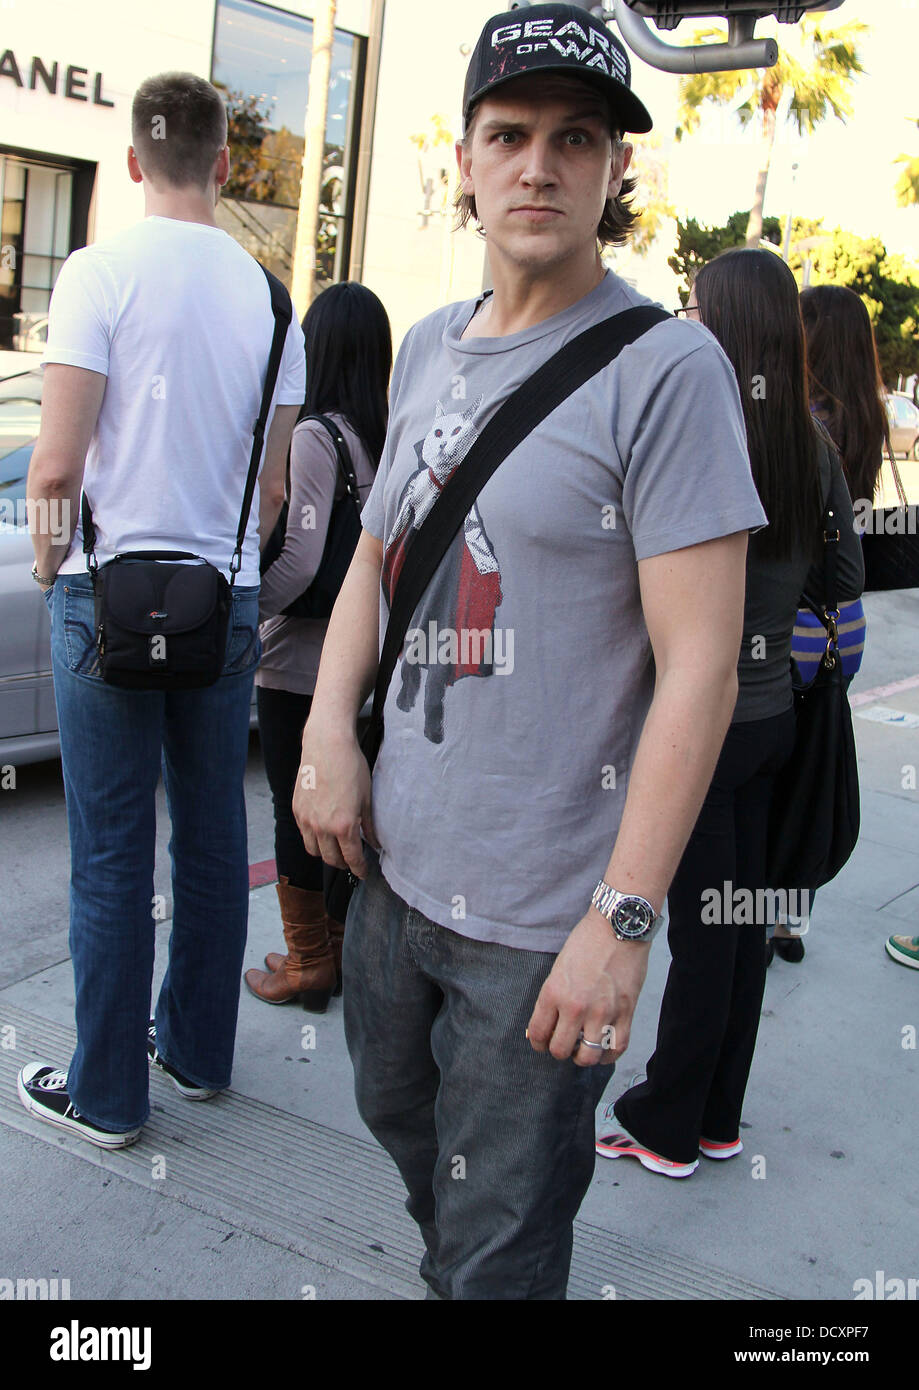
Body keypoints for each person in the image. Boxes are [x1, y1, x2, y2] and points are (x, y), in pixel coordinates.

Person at [293, 3, 768, 1300]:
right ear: (463, 158)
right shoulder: (434, 343)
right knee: (408, 1136)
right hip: (393, 878)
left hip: (540, 924)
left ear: (615, 168)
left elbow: (700, 671)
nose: (537, 165)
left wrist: (621, 920)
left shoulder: (666, 370)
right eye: (507, 134)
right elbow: (376, 565)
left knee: (497, 1250)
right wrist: (330, 727)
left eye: (575, 137)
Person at [17, 73, 304, 1148]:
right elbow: (276, 490)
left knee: (111, 851)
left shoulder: (98, 272)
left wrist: (55, 568)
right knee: (215, 836)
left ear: (134, 162)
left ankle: (106, 1095)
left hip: (104, 590)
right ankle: (195, 1055)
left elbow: (55, 461)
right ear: (225, 165)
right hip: (223, 600)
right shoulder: (276, 300)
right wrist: (232, 561)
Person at [597, 249, 864, 1177]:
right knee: (740, 919)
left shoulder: (705, 434)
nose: (689, 323)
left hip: (697, 720)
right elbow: (844, 579)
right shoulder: (810, 442)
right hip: (770, 723)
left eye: (698, 309)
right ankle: (717, 1118)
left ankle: (665, 1121)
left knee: (704, 933)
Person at [246, 282, 392, 1010]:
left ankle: (308, 962)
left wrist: (248, 616)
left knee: (294, 808)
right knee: (343, 810)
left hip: (298, 662)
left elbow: (299, 558)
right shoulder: (382, 435)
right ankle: (333, 949)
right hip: (361, 660)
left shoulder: (314, 435)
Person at [777, 284, 885, 963]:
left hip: (798, 617)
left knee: (785, 767)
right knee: (816, 758)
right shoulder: (869, 418)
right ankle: (791, 918)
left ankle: (766, 911)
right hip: (843, 625)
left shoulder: (807, 420)